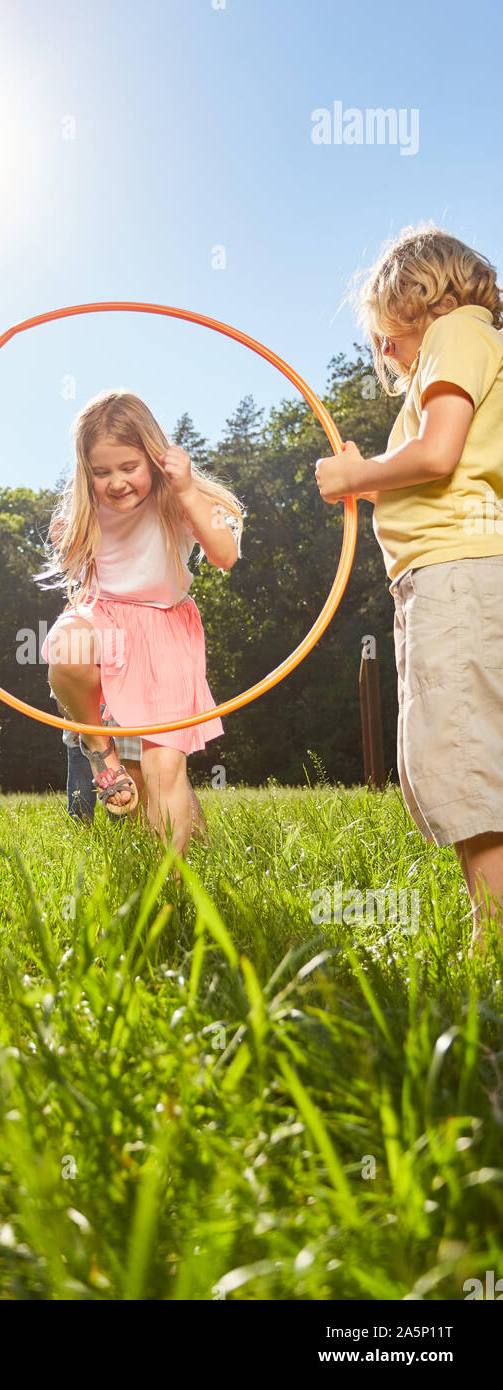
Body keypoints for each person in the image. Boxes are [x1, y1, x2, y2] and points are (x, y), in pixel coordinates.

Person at [315, 225, 503, 953]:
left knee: (464, 760)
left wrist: (360, 476)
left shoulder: (459, 333)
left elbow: (440, 451)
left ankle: (491, 942)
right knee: (463, 755)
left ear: (419, 298)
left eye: (384, 338)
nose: (383, 355)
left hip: (458, 576)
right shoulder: (470, 343)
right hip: (454, 576)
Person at [37, 389, 243, 856]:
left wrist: (188, 489)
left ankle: (167, 880)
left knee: (162, 768)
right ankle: (100, 749)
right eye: (101, 472)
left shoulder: (175, 499)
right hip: (101, 617)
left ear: (152, 457)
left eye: (128, 468)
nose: (116, 482)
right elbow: (77, 564)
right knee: (64, 649)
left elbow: (226, 555)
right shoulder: (88, 510)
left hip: (165, 633)